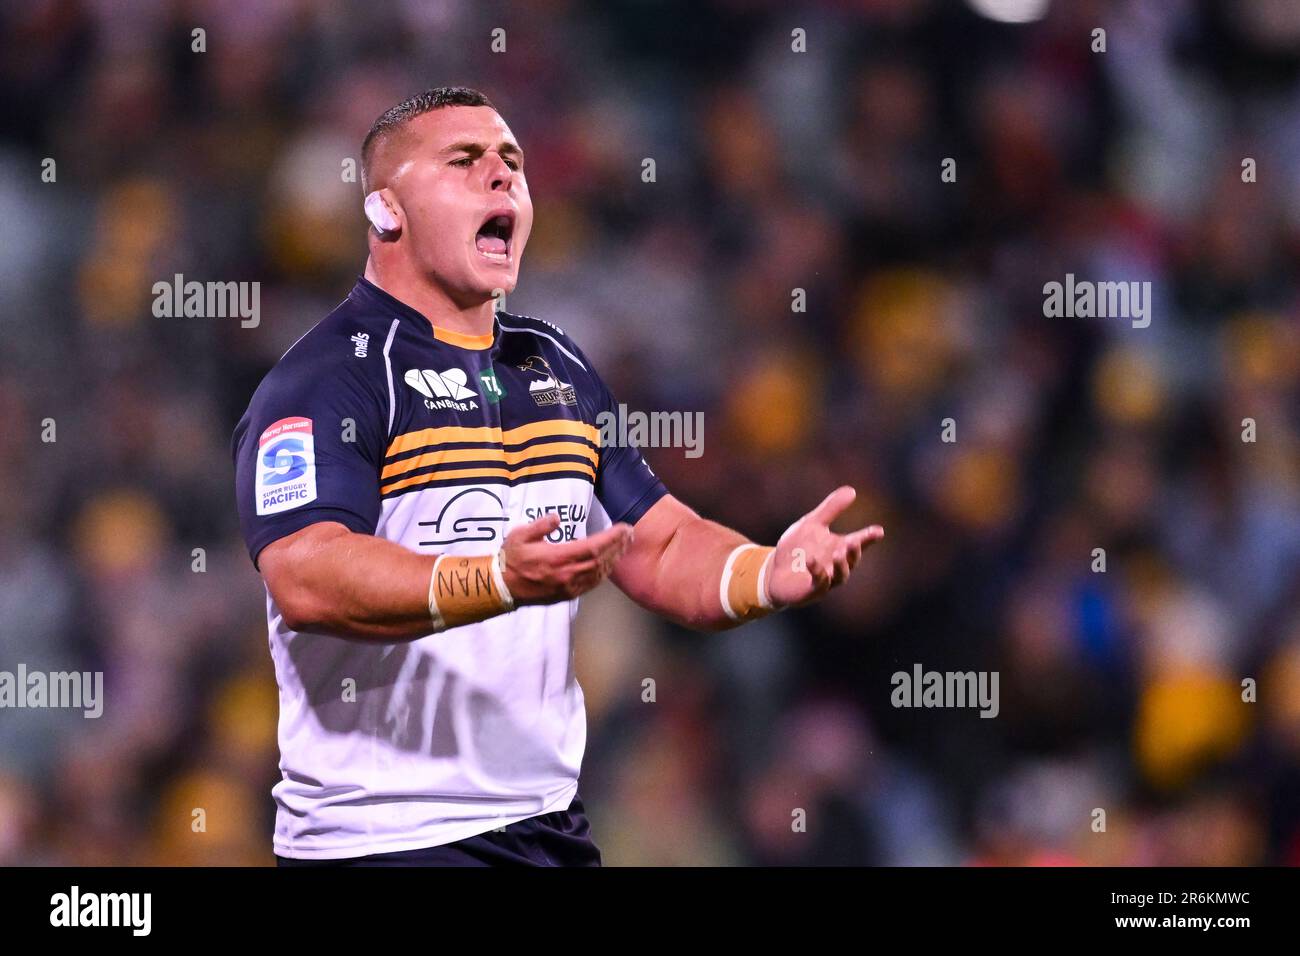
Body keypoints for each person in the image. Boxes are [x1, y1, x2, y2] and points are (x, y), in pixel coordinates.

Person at [232, 86, 884, 866]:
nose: (501, 175)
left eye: (511, 161)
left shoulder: (557, 365)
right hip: (385, 839)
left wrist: (763, 572)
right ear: (387, 211)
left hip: (546, 828)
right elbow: (306, 576)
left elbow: (660, 546)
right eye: (463, 160)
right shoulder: (327, 378)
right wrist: (495, 579)